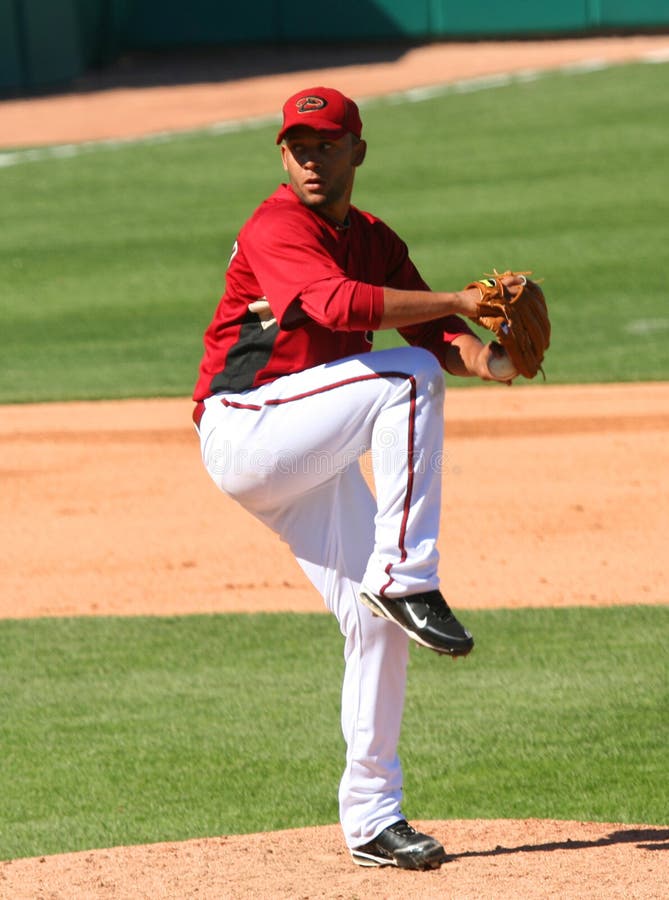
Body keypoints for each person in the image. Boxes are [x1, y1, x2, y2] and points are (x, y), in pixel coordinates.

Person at [193, 86, 522, 870]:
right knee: (405, 380)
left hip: (308, 452)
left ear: (357, 153)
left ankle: (372, 817)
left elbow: (434, 332)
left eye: (327, 144)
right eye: (297, 146)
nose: (311, 158)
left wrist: (493, 360)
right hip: (247, 427)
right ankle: (408, 575)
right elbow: (335, 305)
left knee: (373, 622)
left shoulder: (372, 237)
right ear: (282, 155)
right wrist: (455, 297)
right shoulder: (275, 225)